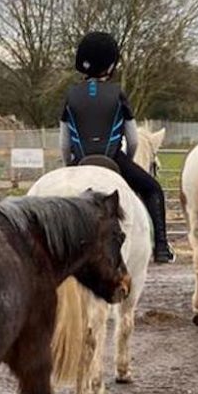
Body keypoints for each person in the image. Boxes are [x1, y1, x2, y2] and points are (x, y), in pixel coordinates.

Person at [60, 32, 174, 263]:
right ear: (111, 65)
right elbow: (132, 139)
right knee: (152, 189)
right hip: (112, 158)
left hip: (78, 161)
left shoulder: (70, 95)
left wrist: (68, 166)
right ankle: (161, 246)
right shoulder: (118, 93)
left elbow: (63, 144)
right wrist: (126, 161)